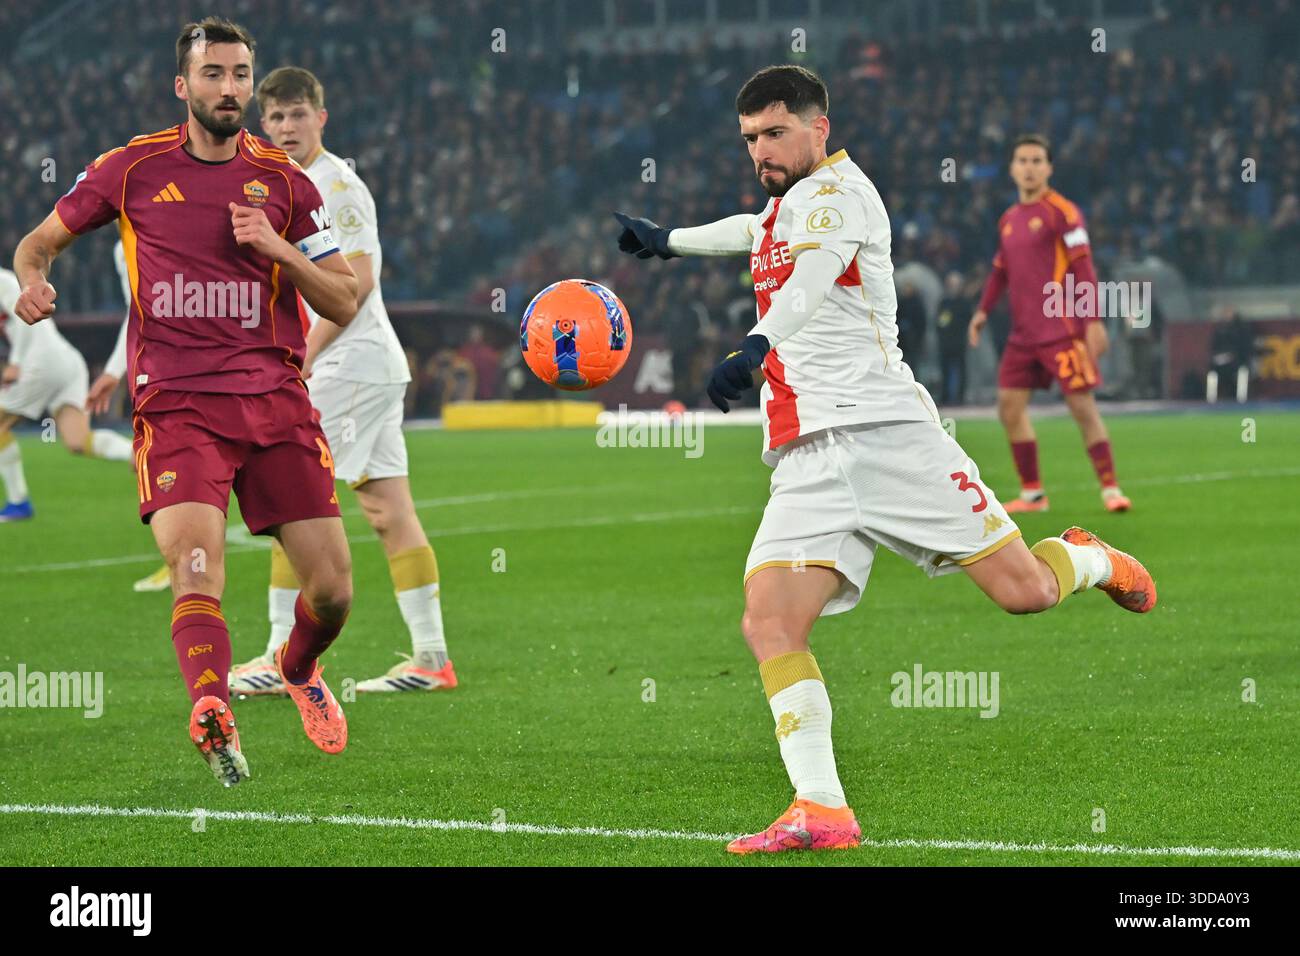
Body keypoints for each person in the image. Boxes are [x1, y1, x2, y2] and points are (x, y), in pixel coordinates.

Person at [615, 65, 1157, 855]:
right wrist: (668, 241)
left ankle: (1090, 558)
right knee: (769, 620)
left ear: (817, 127)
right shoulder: (786, 203)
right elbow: (754, 230)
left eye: (775, 133)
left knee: (1026, 593)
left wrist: (757, 345)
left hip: (888, 436)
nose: (761, 151)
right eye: (750, 139)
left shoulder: (842, 198)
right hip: (805, 457)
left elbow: (806, 279)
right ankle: (822, 808)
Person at [11, 17, 359, 785]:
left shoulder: (288, 185)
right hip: (178, 406)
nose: (229, 88)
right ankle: (212, 707)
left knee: (332, 592)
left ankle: (299, 669)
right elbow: (36, 242)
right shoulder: (129, 169)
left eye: (240, 75)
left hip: (275, 401)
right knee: (195, 566)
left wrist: (274, 247)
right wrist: (33, 281)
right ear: (184, 86)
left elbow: (345, 300)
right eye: (214, 75)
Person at [228, 65, 457, 696]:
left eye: (297, 114)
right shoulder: (282, 183)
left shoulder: (336, 184)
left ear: (320, 118)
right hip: (367, 367)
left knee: (287, 495)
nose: (286, 127)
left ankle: (279, 657)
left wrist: (299, 354)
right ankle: (432, 658)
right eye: (274, 117)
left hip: (346, 364)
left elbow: (356, 284)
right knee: (389, 513)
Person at [968, 133, 1131, 513]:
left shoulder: (1063, 212)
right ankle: (1033, 494)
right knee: (1008, 408)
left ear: (1049, 168)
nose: (1029, 167)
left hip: (1061, 330)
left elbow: (1083, 267)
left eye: (1037, 160)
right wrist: (982, 311)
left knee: (1083, 409)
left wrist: (1092, 320)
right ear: (1011, 169)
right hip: (1023, 336)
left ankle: (1111, 490)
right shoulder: (1008, 220)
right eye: (1022, 160)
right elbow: (999, 271)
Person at [0, 268, 135, 522]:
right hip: (65, 361)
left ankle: (18, 503)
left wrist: (16, 361)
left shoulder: (3, 282)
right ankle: (137, 453)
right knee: (78, 440)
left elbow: (25, 321)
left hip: (39, 361)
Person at [935, 270, 971, 405]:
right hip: (945, 343)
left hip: (959, 342)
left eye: (955, 284)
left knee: (961, 370)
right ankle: (945, 397)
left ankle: (960, 398)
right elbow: (938, 322)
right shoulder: (943, 303)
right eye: (951, 284)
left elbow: (967, 321)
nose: (953, 287)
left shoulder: (964, 303)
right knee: (944, 370)